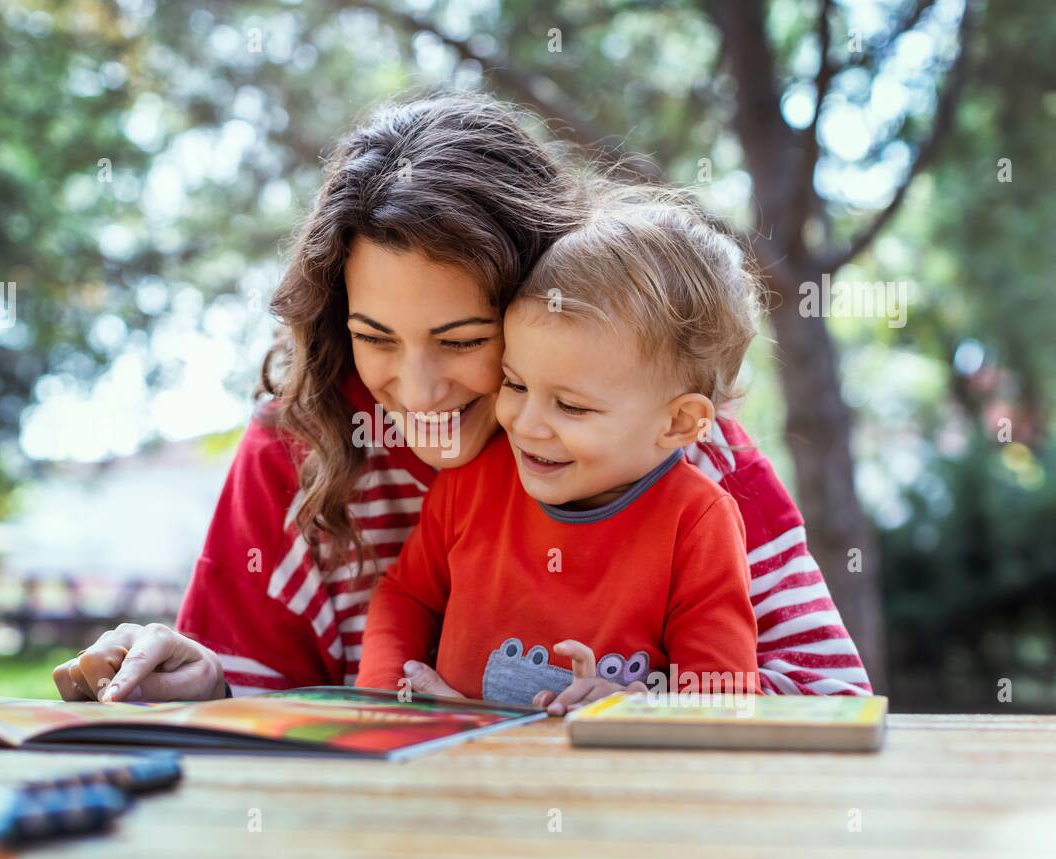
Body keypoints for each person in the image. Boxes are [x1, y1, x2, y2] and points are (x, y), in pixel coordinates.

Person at [51, 92, 872, 704]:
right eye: (375, 338)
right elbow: (268, 713)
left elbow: (833, 697)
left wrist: (637, 704)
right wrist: (198, 689)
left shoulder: (682, 448)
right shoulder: (295, 452)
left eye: (463, 341)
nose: (417, 390)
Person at [357, 187, 764, 713]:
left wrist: (631, 707)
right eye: (516, 384)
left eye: (570, 407)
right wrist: (389, 696)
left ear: (679, 422)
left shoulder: (695, 522)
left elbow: (723, 698)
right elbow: (404, 595)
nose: (525, 425)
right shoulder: (473, 481)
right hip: (453, 766)